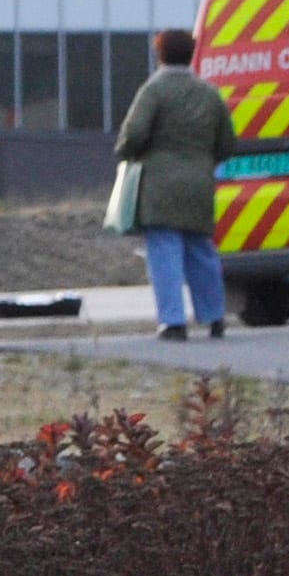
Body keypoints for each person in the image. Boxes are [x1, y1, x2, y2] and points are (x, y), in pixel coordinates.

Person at [115, 28, 239, 342]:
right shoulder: (209, 93)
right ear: (191, 54)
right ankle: (214, 316)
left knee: (164, 250)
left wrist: (127, 152)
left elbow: (134, 133)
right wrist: (205, 161)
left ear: (160, 55)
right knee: (201, 250)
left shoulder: (153, 90)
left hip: (159, 184)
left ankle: (173, 321)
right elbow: (228, 142)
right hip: (200, 183)